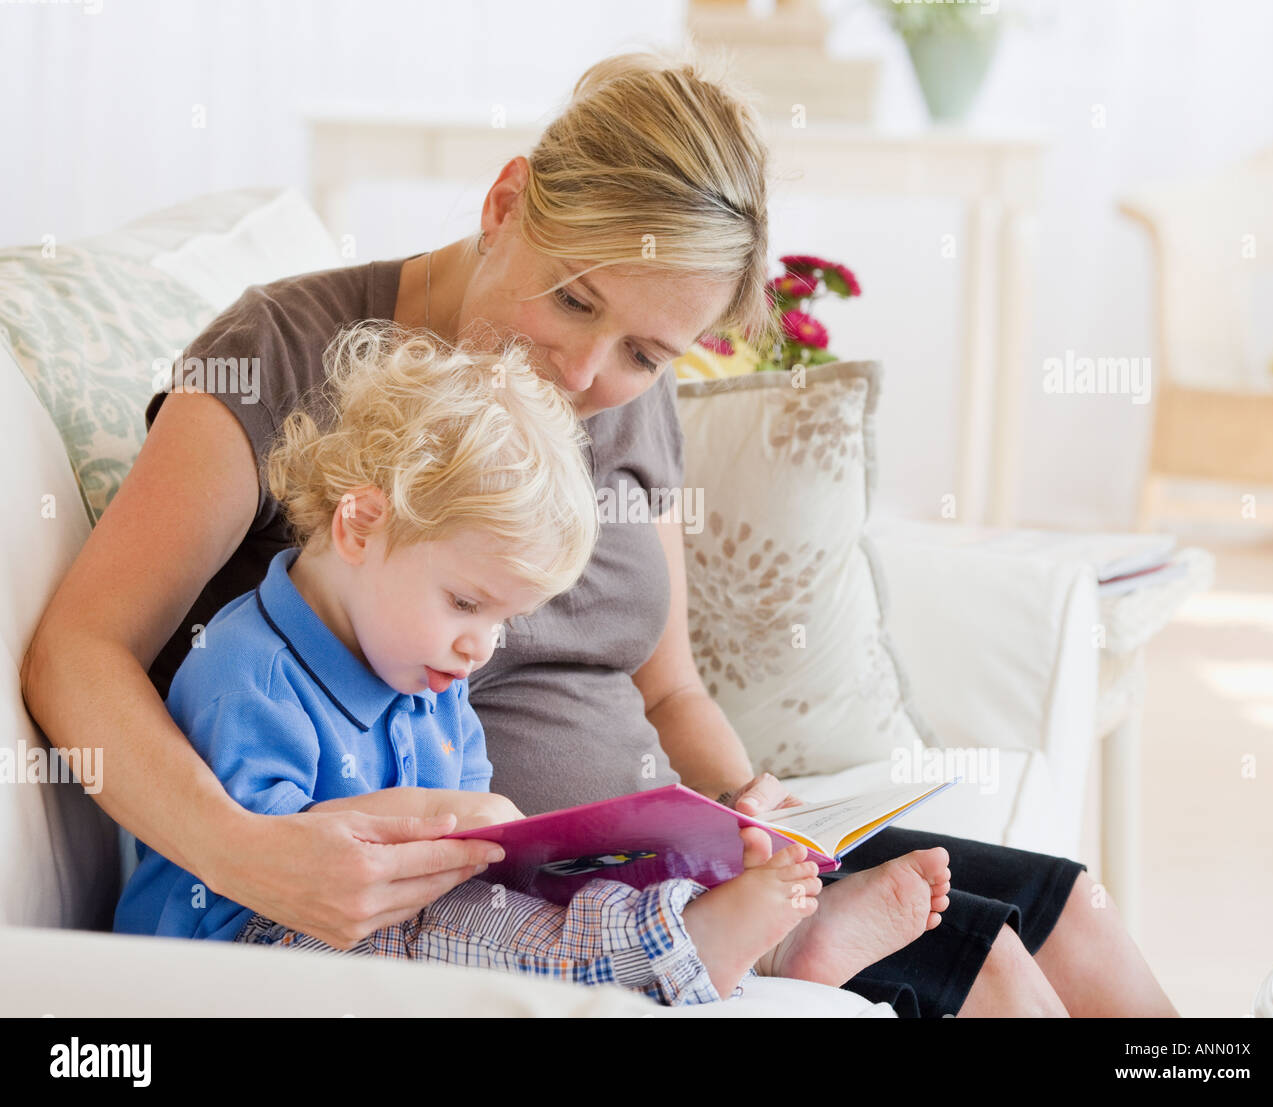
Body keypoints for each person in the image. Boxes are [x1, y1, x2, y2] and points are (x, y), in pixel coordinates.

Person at [21, 48, 1176, 1016]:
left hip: (660, 855)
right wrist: (252, 857)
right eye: (573, 299)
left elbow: (667, 690)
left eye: (645, 350)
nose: (584, 373)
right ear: (506, 201)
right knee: (992, 972)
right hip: (497, 897)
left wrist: (748, 806)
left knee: (1073, 910)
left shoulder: (630, 403)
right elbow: (80, 651)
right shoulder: (280, 353)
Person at [112, 322, 952, 1005]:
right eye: (468, 604)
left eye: (502, 620)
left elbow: (480, 836)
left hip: (401, 909)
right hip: (254, 944)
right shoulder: (247, 669)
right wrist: (451, 821)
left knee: (527, 906)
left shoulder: (427, 665)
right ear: (360, 527)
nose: (481, 645)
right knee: (462, 933)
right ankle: (686, 948)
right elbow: (267, 865)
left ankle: (743, 942)